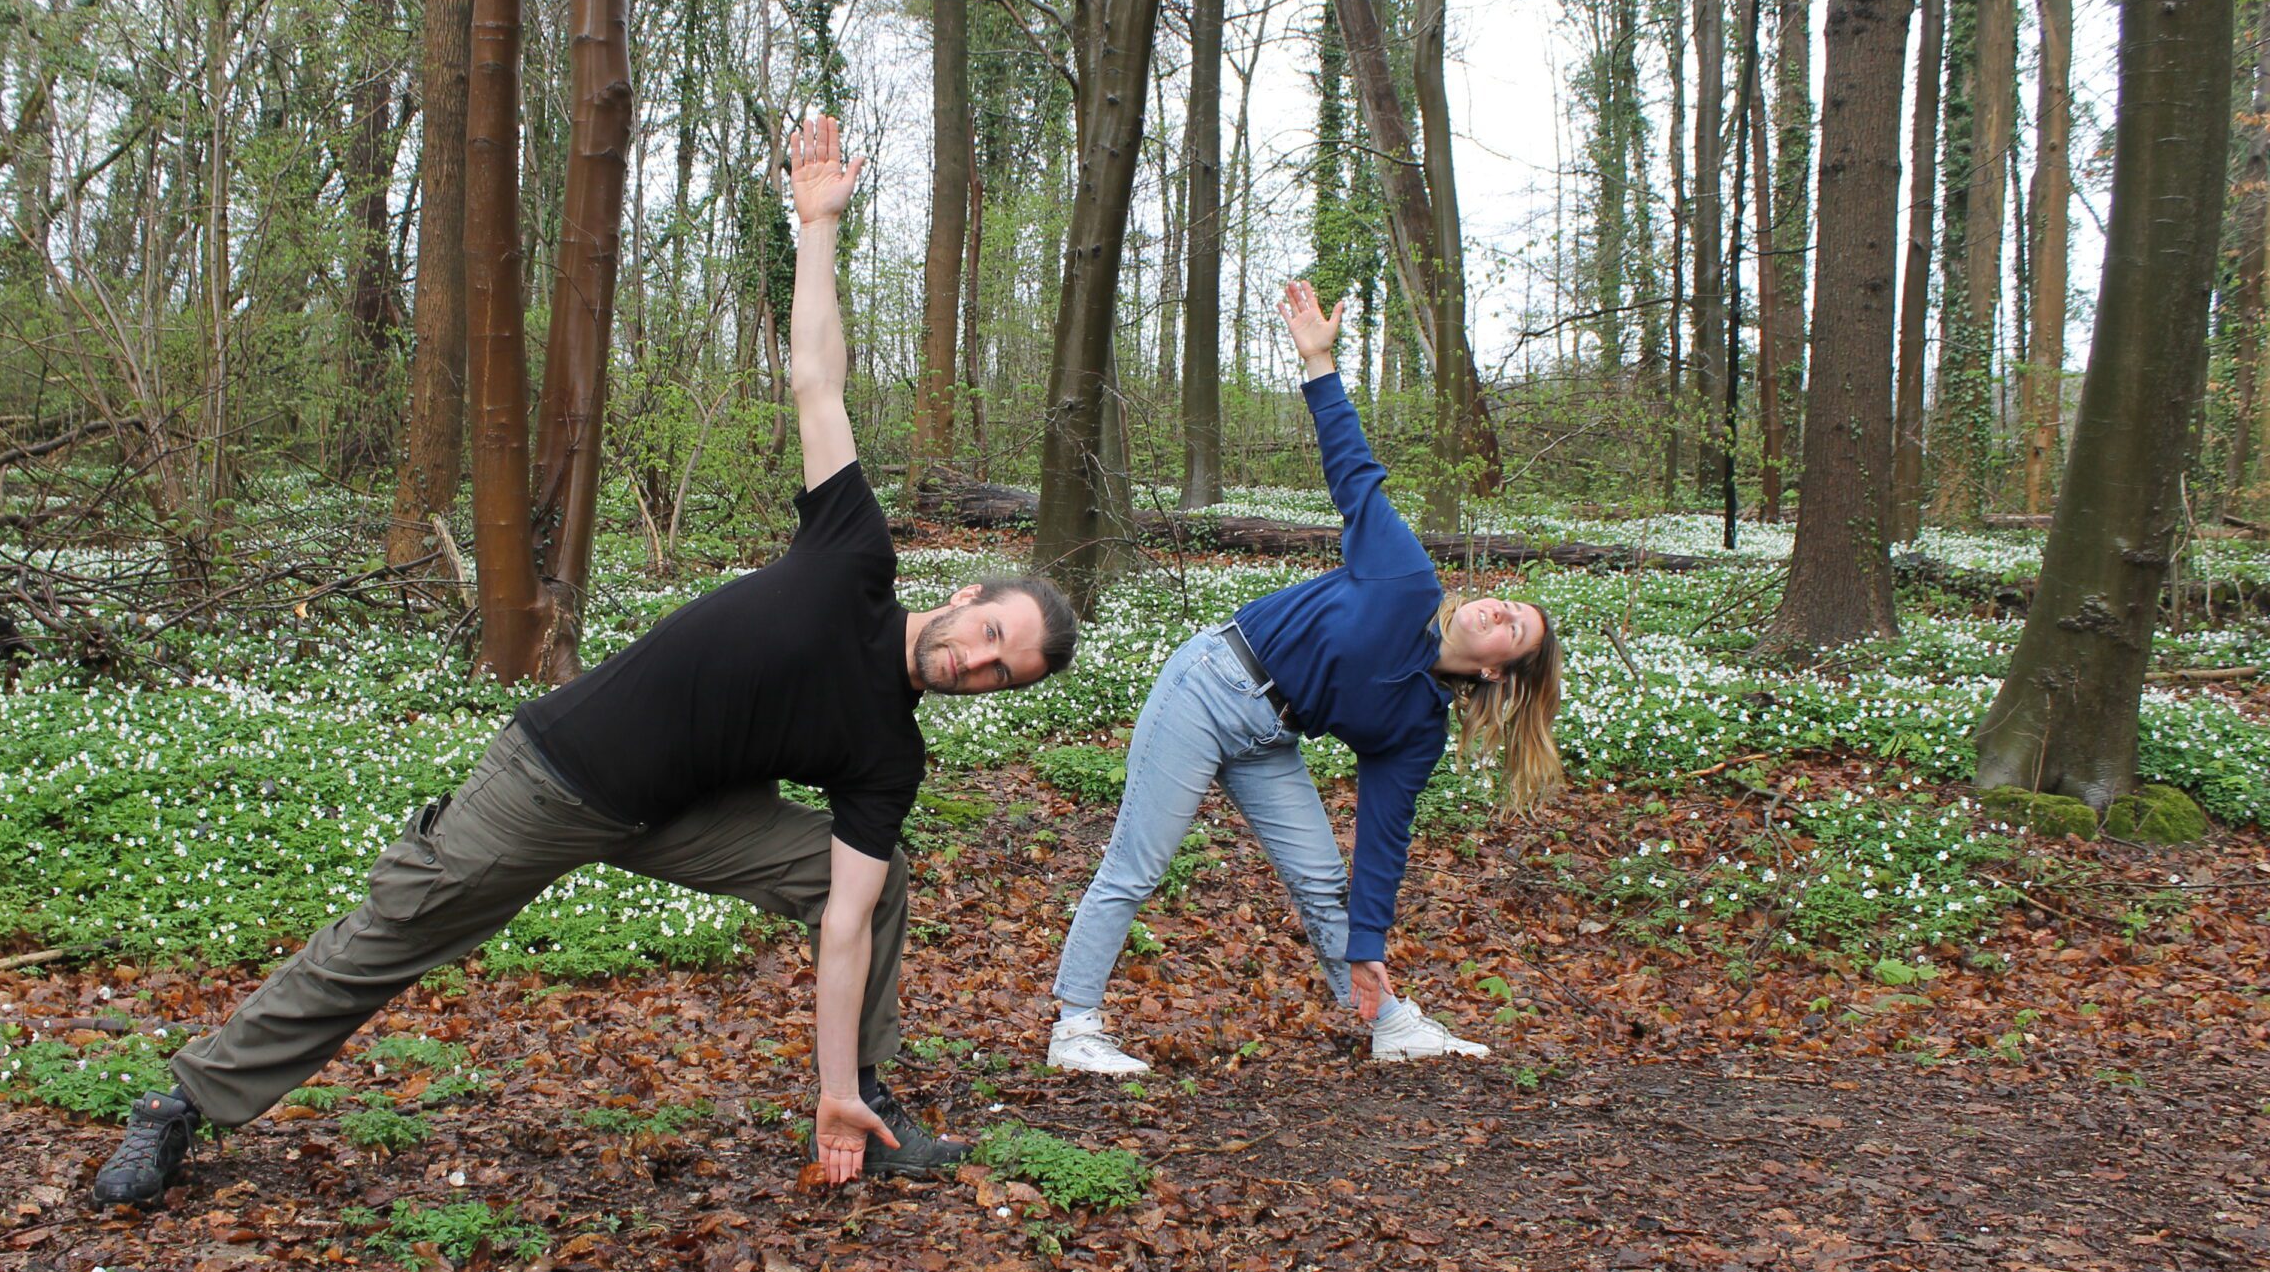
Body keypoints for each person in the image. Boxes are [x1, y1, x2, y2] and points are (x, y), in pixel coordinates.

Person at [94, 116, 1077, 1205]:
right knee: (393, 934)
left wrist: (830, 1083)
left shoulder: (887, 755)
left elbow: (842, 920)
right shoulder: (853, 550)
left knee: (872, 881)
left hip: (685, 816)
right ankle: (182, 1102)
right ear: (967, 597)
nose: (977, 665)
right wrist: (815, 229)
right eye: (991, 636)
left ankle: (870, 1102)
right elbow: (817, 383)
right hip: (557, 779)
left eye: (1002, 675)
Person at [1045, 279, 1560, 1075]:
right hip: (1211, 682)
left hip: (1268, 732)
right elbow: (1354, 471)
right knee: (1139, 861)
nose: (1495, 609)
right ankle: (1075, 1026)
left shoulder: (1417, 727)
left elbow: (1384, 840)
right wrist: (1318, 360)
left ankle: (1386, 1020)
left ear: (1496, 669)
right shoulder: (1407, 578)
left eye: (1512, 627)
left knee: (1326, 882)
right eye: (1503, 601)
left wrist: (1371, 941)